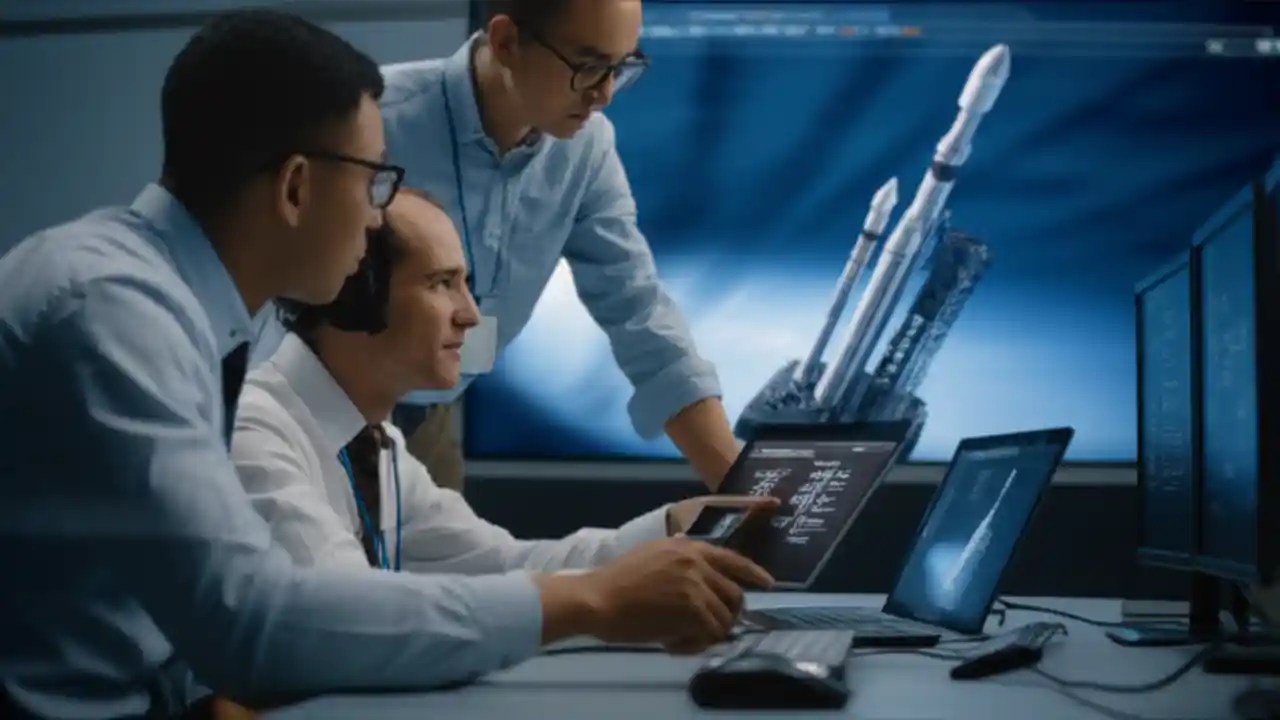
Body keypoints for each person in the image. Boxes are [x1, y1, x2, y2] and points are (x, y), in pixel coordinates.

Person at [0, 11, 772, 719]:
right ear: (297, 186)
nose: (378, 219)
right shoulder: (115, 317)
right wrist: (583, 604)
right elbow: (256, 621)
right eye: (376, 183)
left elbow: (639, 313)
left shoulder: (163, 307)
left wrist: (693, 519)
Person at [232, 188, 777, 573]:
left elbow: (505, 567)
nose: (471, 315)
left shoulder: (377, 446)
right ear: (353, 294)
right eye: (442, 284)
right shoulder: (258, 434)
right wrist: (596, 606)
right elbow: (343, 621)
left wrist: (673, 527)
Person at [372, 0, 741, 493]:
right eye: (588, 68)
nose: (605, 94)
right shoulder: (375, 120)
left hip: (429, 416)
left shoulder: (585, 148)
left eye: (621, 67)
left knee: (451, 562)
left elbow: (640, 314)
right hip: (320, 409)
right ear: (505, 42)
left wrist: (738, 483)